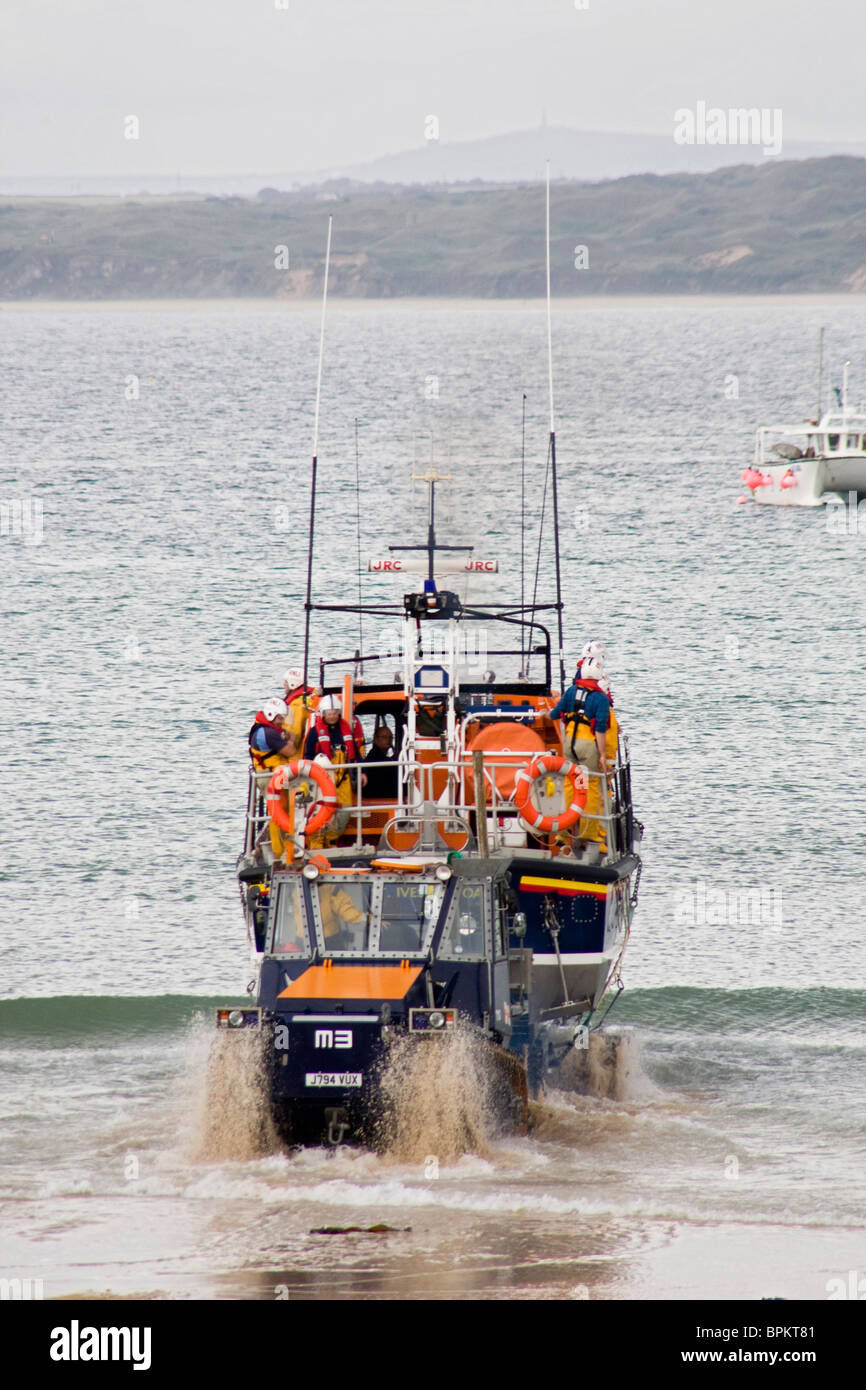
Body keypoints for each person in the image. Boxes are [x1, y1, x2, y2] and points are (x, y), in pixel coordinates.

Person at [549, 656, 614, 847]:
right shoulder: (600, 699)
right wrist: (603, 756)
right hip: (588, 747)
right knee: (592, 787)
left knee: (570, 785)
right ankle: (589, 833)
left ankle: (563, 831)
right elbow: (601, 729)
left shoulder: (570, 692)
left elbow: (554, 714)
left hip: (569, 744)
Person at [303, 695, 367, 844]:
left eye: (334, 713)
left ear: (338, 713)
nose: (332, 716)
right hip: (321, 782)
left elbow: (355, 753)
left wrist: (363, 771)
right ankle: (317, 844)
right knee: (320, 813)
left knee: (344, 813)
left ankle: (332, 841)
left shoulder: (345, 731)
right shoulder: (314, 733)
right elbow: (308, 756)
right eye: (329, 713)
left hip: (343, 780)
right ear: (323, 714)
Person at [248, 698, 298, 770]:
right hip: (270, 775)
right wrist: (292, 738)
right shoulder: (269, 733)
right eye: (280, 718)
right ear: (270, 715)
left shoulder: (260, 727)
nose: (283, 722)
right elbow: (291, 752)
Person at [281, 666, 319, 748]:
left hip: (296, 753)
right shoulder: (306, 698)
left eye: (286, 682)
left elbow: (294, 734)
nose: (284, 684)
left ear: (292, 684)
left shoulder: (296, 705)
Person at [363, 723, 399, 799]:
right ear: (375, 739)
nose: (388, 740)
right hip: (377, 794)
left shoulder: (379, 756)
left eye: (390, 737)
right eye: (384, 737)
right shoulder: (374, 757)